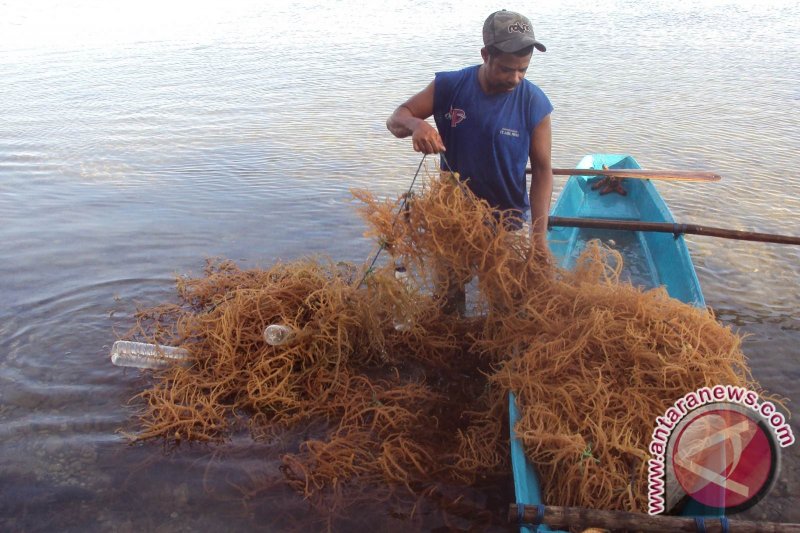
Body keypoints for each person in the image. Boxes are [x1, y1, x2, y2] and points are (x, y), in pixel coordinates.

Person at [386, 10, 554, 313]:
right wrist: (417, 126)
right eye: (506, 69)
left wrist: (539, 238)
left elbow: (542, 172)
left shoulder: (534, 103)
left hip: (507, 223)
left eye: (523, 70)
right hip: (453, 219)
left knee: (507, 307)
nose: (515, 78)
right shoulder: (451, 86)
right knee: (448, 302)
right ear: (485, 54)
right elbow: (396, 119)